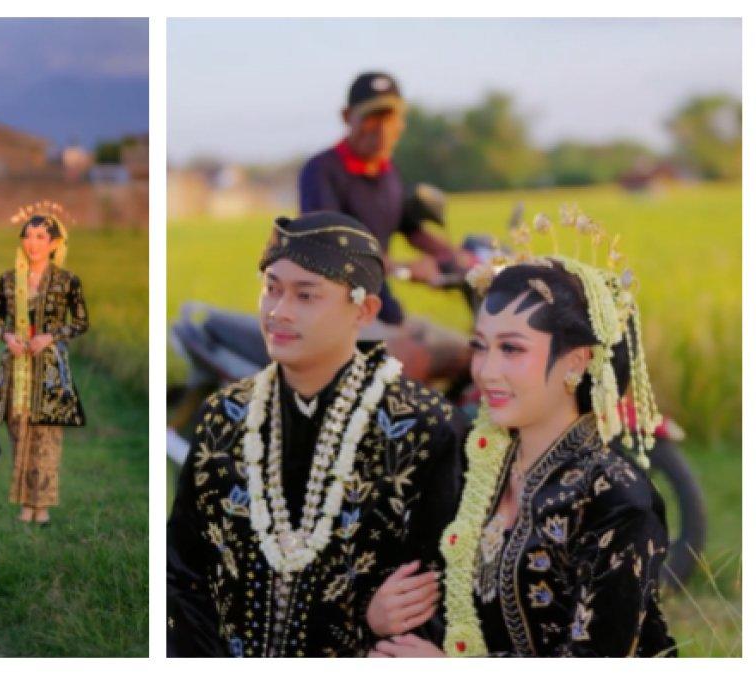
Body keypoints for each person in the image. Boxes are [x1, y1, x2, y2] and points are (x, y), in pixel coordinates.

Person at [370, 213, 677, 657]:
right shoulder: (473, 470)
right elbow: (446, 617)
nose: (486, 371)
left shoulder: (616, 499)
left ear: (576, 361)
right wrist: (380, 615)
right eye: (480, 346)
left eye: (511, 349)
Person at [166, 211, 464, 656]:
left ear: (364, 310)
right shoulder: (226, 416)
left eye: (306, 295)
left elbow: (422, 606)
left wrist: (357, 620)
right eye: (272, 288)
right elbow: (183, 573)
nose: (278, 311)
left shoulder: (420, 428)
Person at [298, 71, 469, 382]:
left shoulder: (389, 172)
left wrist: (458, 256)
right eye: (371, 118)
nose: (382, 130)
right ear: (347, 117)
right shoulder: (322, 171)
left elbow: (411, 228)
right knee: (411, 362)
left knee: (469, 353)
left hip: (383, 308)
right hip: (341, 314)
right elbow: (334, 246)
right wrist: (404, 267)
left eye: (390, 118)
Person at [0, 203, 89, 526]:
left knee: (46, 438)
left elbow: (81, 323)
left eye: (41, 237)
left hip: (49, 370)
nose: (33, 243)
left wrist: (50, 337)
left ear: (55, 243)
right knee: (20, 434)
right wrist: (7, 337)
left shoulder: (67, 281)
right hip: (15, 366)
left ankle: (41, 506)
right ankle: (24, 504)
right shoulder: (8, 281)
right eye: (28, 236)